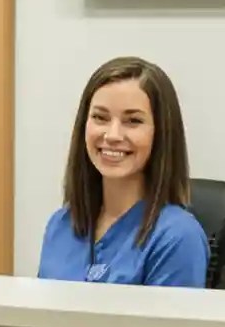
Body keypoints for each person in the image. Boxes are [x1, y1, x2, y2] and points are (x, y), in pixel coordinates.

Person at [38, 57, 210, 288]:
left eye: (133, 121)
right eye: (100, 117)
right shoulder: (61, 224)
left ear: (160, 134)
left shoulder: (178, 237)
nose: (113, 135)